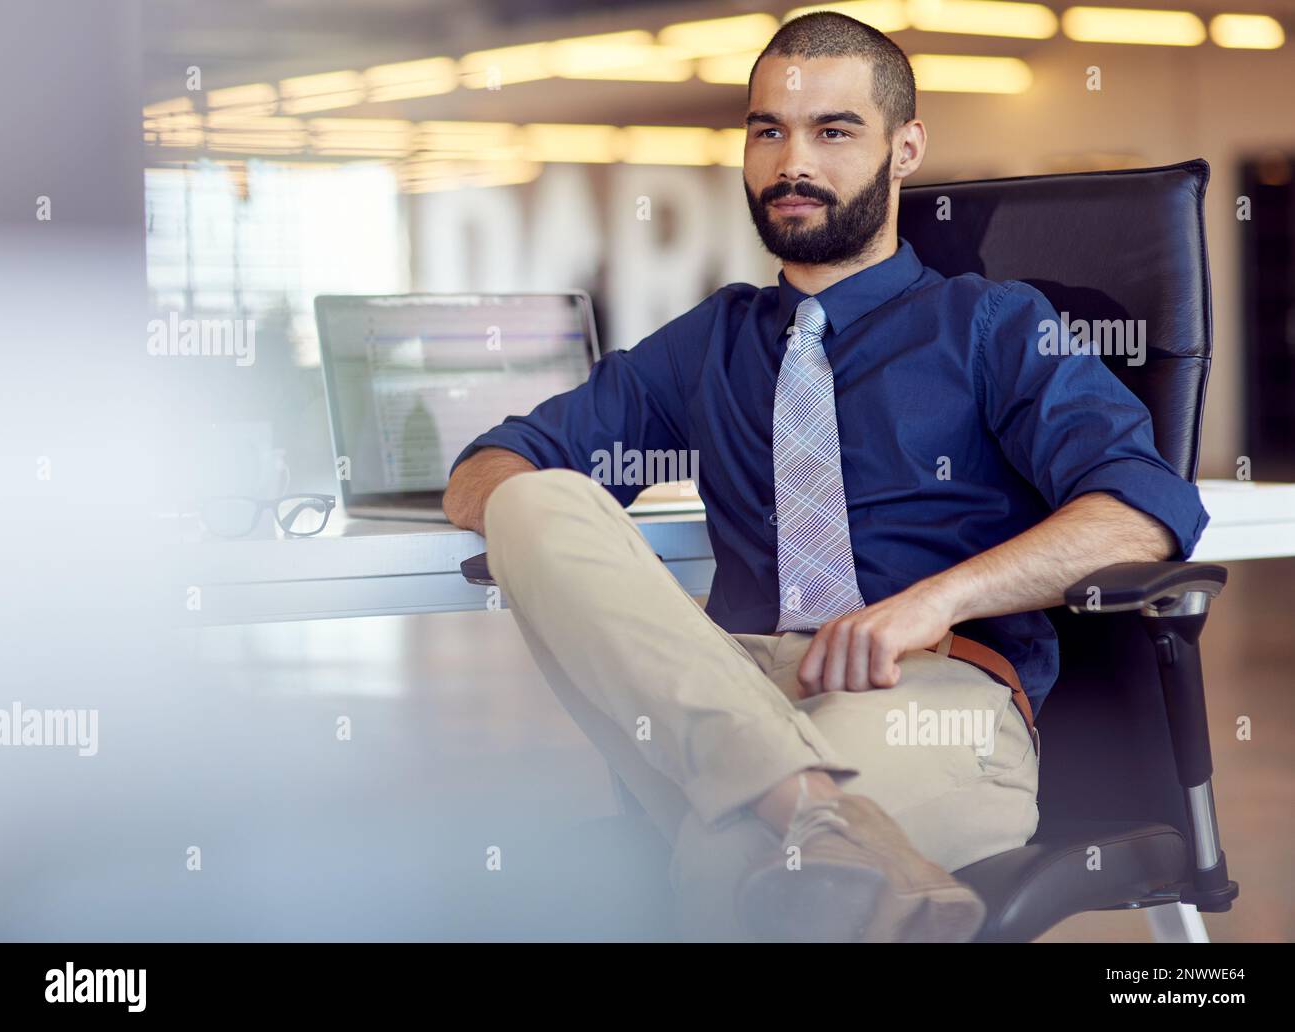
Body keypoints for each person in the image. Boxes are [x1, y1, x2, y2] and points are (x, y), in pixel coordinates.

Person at [443, 11, 1208, 942]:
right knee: (532, 496)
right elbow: (490, 467)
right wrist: (525, 511)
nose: (791, 161)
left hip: (928, 701)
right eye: (768, 130)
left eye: (832, 130)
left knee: (740, 868)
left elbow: (1144, 510)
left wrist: (934, 601)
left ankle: (798, 820)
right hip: (726, 695)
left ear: (905, 149)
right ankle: (805, 801)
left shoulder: (992, 325)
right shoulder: (711, 341)